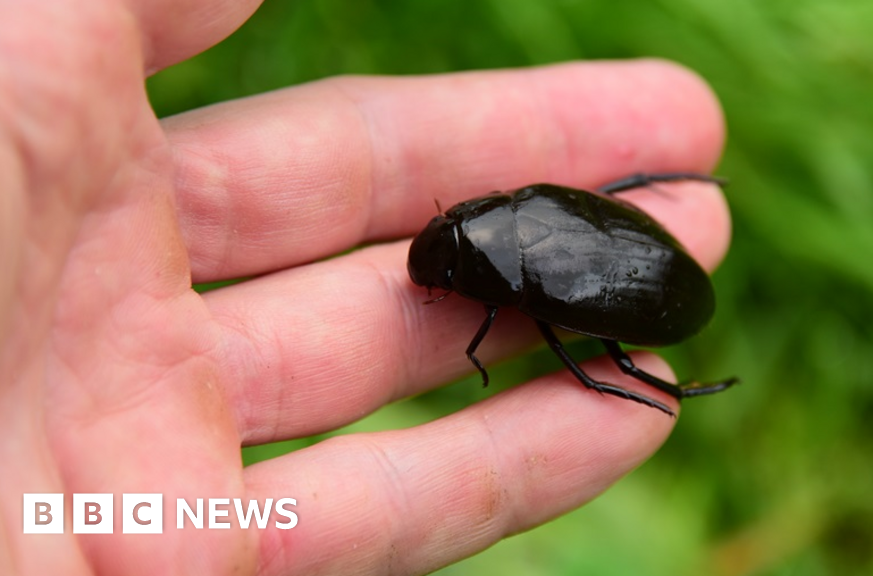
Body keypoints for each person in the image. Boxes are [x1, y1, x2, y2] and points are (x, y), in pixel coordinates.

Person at [0, 1, 732, 574]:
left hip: (656, 283)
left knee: (602, 367)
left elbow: (527, 308)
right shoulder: (528, 215)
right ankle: (673, 389)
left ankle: (672, 390)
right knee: (599, 368)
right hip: (641, 263)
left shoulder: (528, 270)